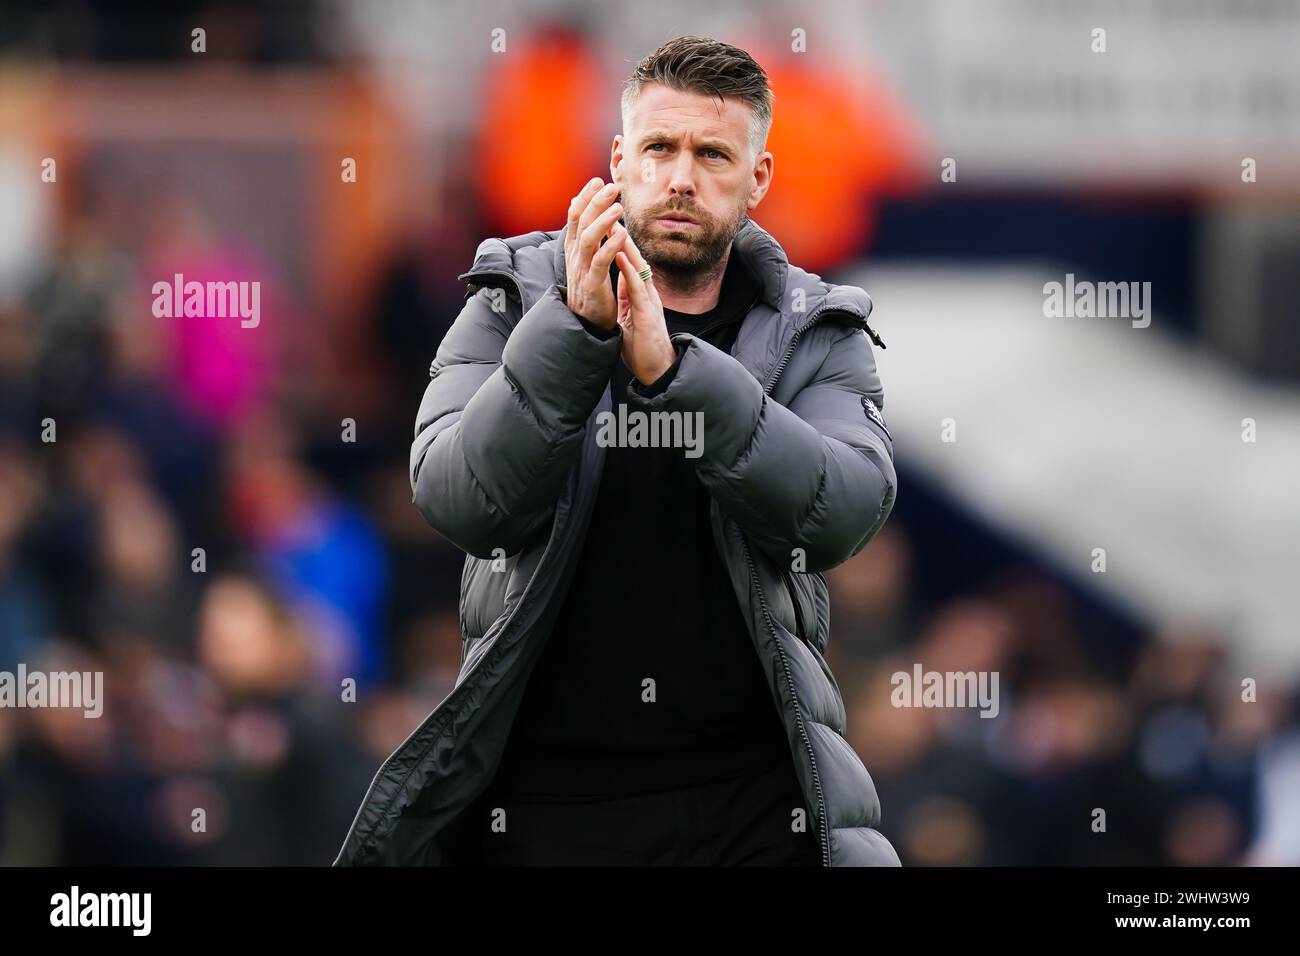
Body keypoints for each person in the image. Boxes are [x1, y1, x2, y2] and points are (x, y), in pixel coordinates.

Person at [336, 35, 899, 867]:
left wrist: (682, 377)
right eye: (659, 148)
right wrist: (572, 331)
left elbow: (842, 514)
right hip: (541, 806)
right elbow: (457, 500)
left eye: (713, 154)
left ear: (759, 180)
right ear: (617, 159)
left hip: (752, 809)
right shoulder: (512, 295)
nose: (680, 177)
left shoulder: (817, 327)